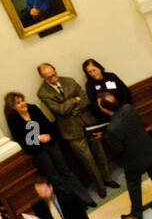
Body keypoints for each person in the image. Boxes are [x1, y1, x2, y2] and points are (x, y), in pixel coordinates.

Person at [36, 64, 115, 199]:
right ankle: (100, 186)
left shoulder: (69, 81)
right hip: (71, 131)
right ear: (42, 77)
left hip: (88, 123)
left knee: (99, 153)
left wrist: (72, 108)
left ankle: (108, 178)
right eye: (49, 77)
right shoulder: (43, 92)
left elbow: (84, 99)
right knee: (88, 160)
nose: (53, 78)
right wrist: (74, 100)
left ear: (55, 70)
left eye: (54, 74)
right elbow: (59, 110)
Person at [3, 92, 92, 206]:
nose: (22, 104)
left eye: (22, 100)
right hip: (38, 151)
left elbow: (47, 124)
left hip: (51, 144)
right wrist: (38, 138)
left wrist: (48, 136)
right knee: (55, 178)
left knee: (66, 171)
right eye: (18, 103)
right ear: (13, 107)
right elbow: (21, 139)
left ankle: (85, 198)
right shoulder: (13, 119)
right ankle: (75, 204)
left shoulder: (33, 108)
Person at [98, 95, 152, 219]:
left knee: (134, 185)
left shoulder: (112, 129)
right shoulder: (129, 108)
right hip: (148, 149)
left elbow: (118, 148)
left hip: (133, 160)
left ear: (105, 109)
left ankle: (137, 214)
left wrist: (105, 136)